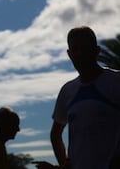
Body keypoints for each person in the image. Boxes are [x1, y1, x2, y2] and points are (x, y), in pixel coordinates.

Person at [49, 26, 120, 169]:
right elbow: (55, 133)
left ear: (96, 51)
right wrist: (64, 163)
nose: (80, 54)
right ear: (69, 54)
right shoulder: (67, 90)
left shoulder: (115, 81)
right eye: (75, 49)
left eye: (85, 48)